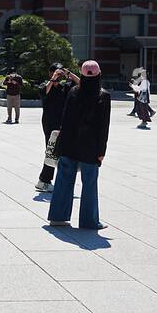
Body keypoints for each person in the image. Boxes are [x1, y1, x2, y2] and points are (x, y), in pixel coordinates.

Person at [45, 60, 111, 230]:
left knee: (63, 180)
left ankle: (58, 217)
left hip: (69, 144)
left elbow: (65, 120)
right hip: (91, 146)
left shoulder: (74, 92)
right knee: (89, 183)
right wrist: (101, 151)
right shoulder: (103, 95)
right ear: (99, 74)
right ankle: (89, 221)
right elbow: (103, 127)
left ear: (81, 74)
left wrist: (61, 145)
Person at [35, 64, 74, 193]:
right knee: (51, 151)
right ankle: (44, 181)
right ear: (50, 73)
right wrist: (53, 78)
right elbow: (44, 92)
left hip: (64, 124)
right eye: (55, 72)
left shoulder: (65, 87)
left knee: (61, 153)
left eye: (59, 73)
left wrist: (70, 74)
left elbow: (83, 86)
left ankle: (53, 180)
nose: (58, 75)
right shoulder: (45, 86)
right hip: (50, 124)